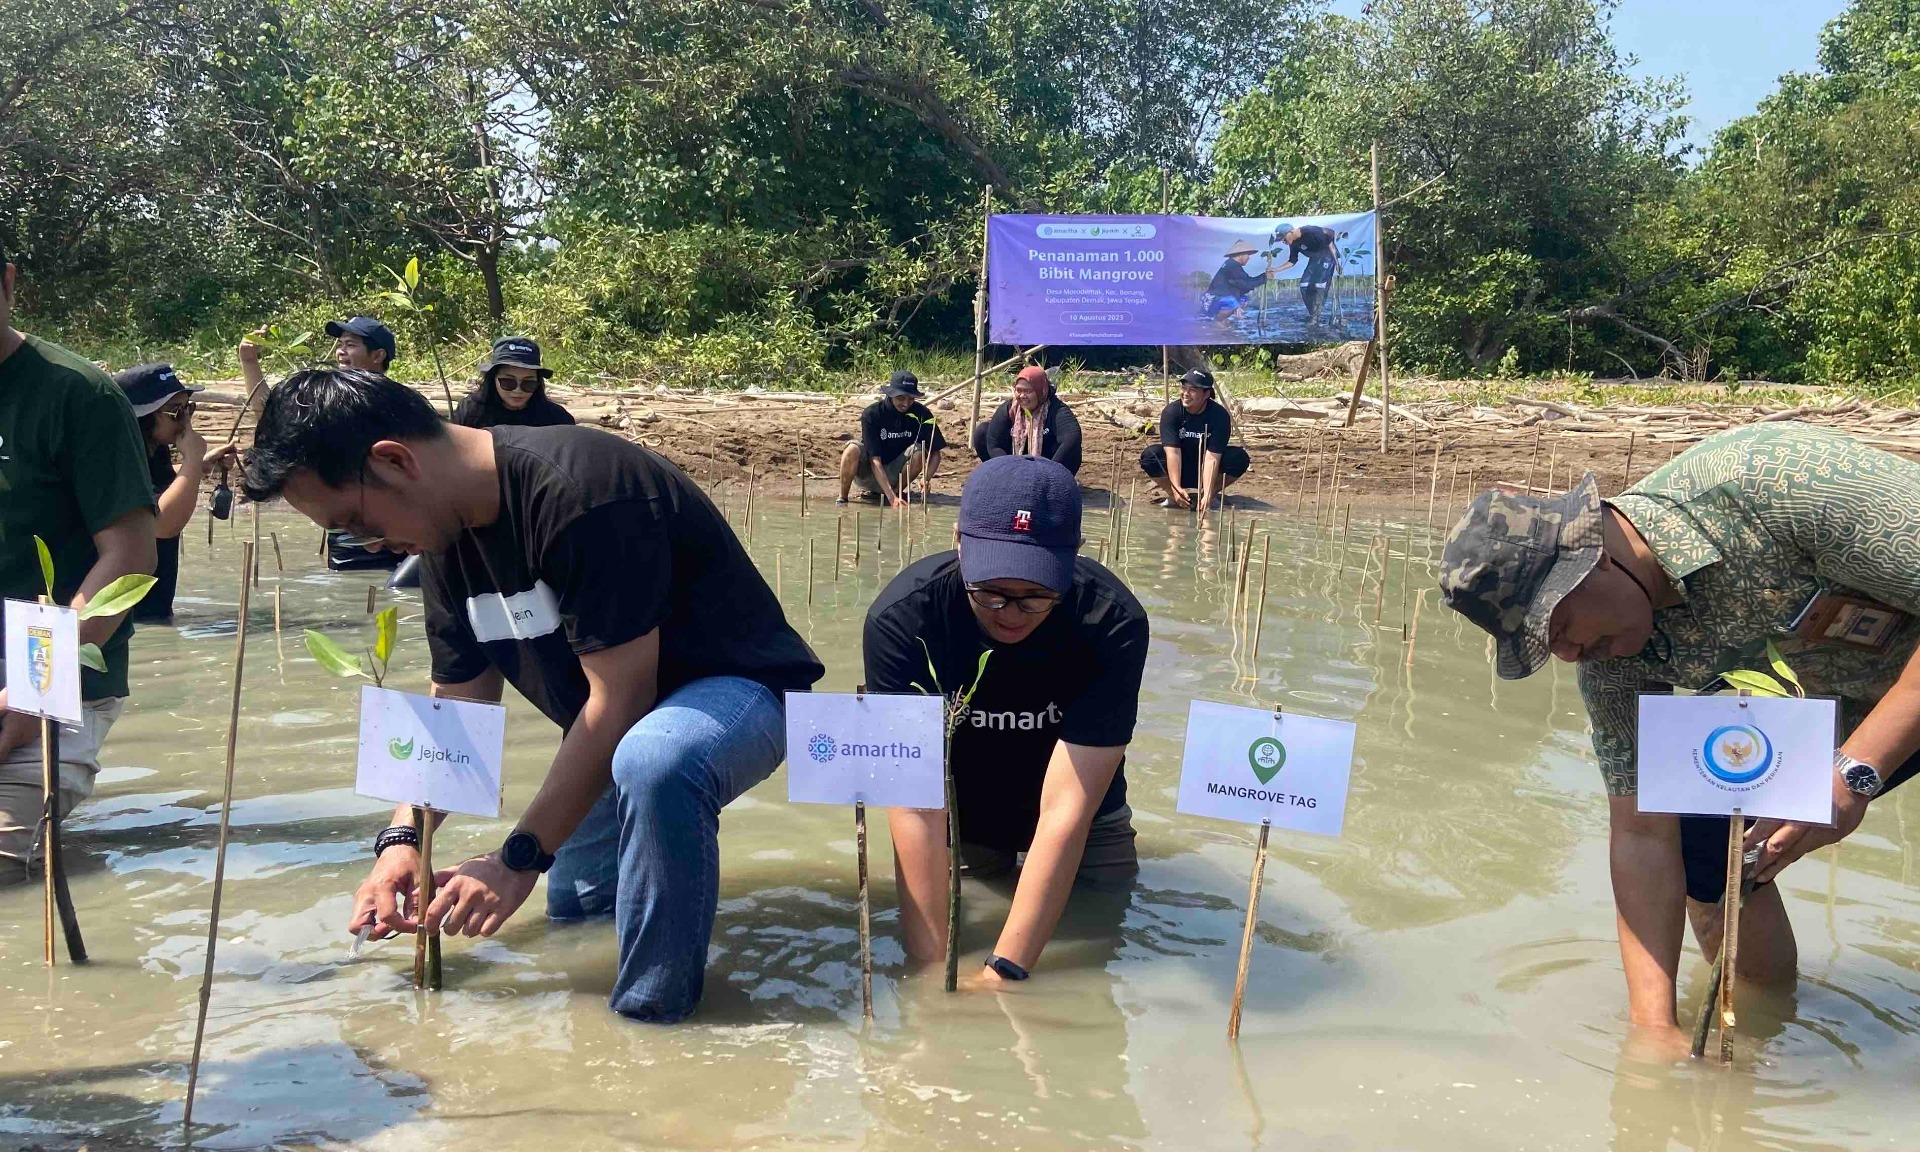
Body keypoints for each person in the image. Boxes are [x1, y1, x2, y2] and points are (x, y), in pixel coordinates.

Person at [241, 367, 823, 1022]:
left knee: (655, 761)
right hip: (611, 729)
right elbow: (457, 706)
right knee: (579, 915)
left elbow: (622, 700)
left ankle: (653, 1025)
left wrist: (517, 859)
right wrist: (401, 839)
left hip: (738, 695)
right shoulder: (441, 539)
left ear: (394, 461)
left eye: (354, 522)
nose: (368, 546)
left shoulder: (581, 490)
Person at [1438, 423, 1920, 1061]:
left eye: (1561, 627)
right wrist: (1652, 1031)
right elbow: (1642, 832)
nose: (1569, 654)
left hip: (1897, 697)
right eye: (1547, 647)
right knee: (1707, 837)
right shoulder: (1612, 661)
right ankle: (1772, 1021)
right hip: (1860, 691)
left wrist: (1856, 771)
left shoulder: (1778, 482)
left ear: (1593, 559)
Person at [864, 455, 1148, 985]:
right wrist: (932, 975)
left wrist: (1005, 973)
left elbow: (1067, 809)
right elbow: (914, 799)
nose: (1011, 613)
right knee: (952, 927)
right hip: (964, 812)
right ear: (959, 542)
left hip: (1086, 817)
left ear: (1074, 557)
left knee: (1104, 924)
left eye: (1036, 596)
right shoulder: (904, 618)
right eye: (991, 593)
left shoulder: (1112, 621)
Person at [0, 238, 159, 882]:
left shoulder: (79, 395)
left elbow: (130, 559)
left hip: (55, 688)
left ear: (8, 283)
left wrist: (28, 694)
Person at [112, 364, 235, 622]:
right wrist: (192, 460)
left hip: (152, 612)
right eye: (176, 412)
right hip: (129, 620)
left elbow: (157, 485)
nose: (186, 421)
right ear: (143, 417)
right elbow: (162, 523)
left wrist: (201, 465)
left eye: (188, 408)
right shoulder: (119, 457)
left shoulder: (154, 449)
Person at [1139, 369, 1249, 509]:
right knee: (1150, 455)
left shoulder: (1219, 416)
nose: (1186, 393)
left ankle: (1209, 496)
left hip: (1206, 468)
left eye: (1193, 390)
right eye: (1184, 388)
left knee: (1239, 457)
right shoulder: (1171, 412)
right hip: (1179, 467)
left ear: (1206, 394)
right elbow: (1173, 453)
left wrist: (1208, 492)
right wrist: (1175, 487)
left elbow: (1212, 458)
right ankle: (1175, 496)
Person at [837, 370, 946, 506]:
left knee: (919, 452)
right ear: (891, 394)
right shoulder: (872, 413)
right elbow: (874, 460)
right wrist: (890, 497)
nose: (906, 404)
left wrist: (926, 478)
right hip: (870, 472)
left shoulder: (922, 414)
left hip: (897, 475)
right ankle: (842, 498)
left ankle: (897, 493)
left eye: (911, 399)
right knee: (852, 449)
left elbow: (935, 454)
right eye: (901, 398)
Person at [970, 365, 1083, 475]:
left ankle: (1055, 480)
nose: (1022, 396)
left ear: (1042, 391)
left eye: (1028, 391)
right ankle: (1003, 477)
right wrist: (1010, 469)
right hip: (1013, 465)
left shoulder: (1056, 409)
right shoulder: (1010, 409)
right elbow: (994, 443)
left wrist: (1050, 471)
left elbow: (1072, 438)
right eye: (1019, 390)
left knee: (1074, 451)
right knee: (982, 432)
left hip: (1048, 465)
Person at [451, 337, 575, 429]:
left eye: (528, 384)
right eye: (508, 382)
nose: (518, 390)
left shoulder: (556, 419)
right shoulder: (471, 411)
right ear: (493, 378)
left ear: (538, 383)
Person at [1271, 223, 1341, 327]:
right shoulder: (1293, 244)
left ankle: (1315, 318)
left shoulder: (1310, 231)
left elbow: (1329, 237)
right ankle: (1314, 314)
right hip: (1315, 259)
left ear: (1291, 232)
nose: (1284, 242)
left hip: (1327, 257)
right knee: (1304, 285)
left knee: (1319, 286)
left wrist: (1337, 262)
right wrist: (1276, 269)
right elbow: (1292, 260)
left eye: (1284, 238)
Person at [1203, 240, 1281, 325]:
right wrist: (1265, 277)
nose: (1249, 257)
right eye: (1247, 254)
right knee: (1233, 302)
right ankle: (1217, 322)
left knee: (1243, 299)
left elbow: (1244, 283)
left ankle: (1222, 320)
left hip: (1215, 299)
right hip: (1211, 301)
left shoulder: (1231, 265)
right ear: (1241, 254)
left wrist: (1263, 277)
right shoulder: (1233, 267)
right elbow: (1246, 284)